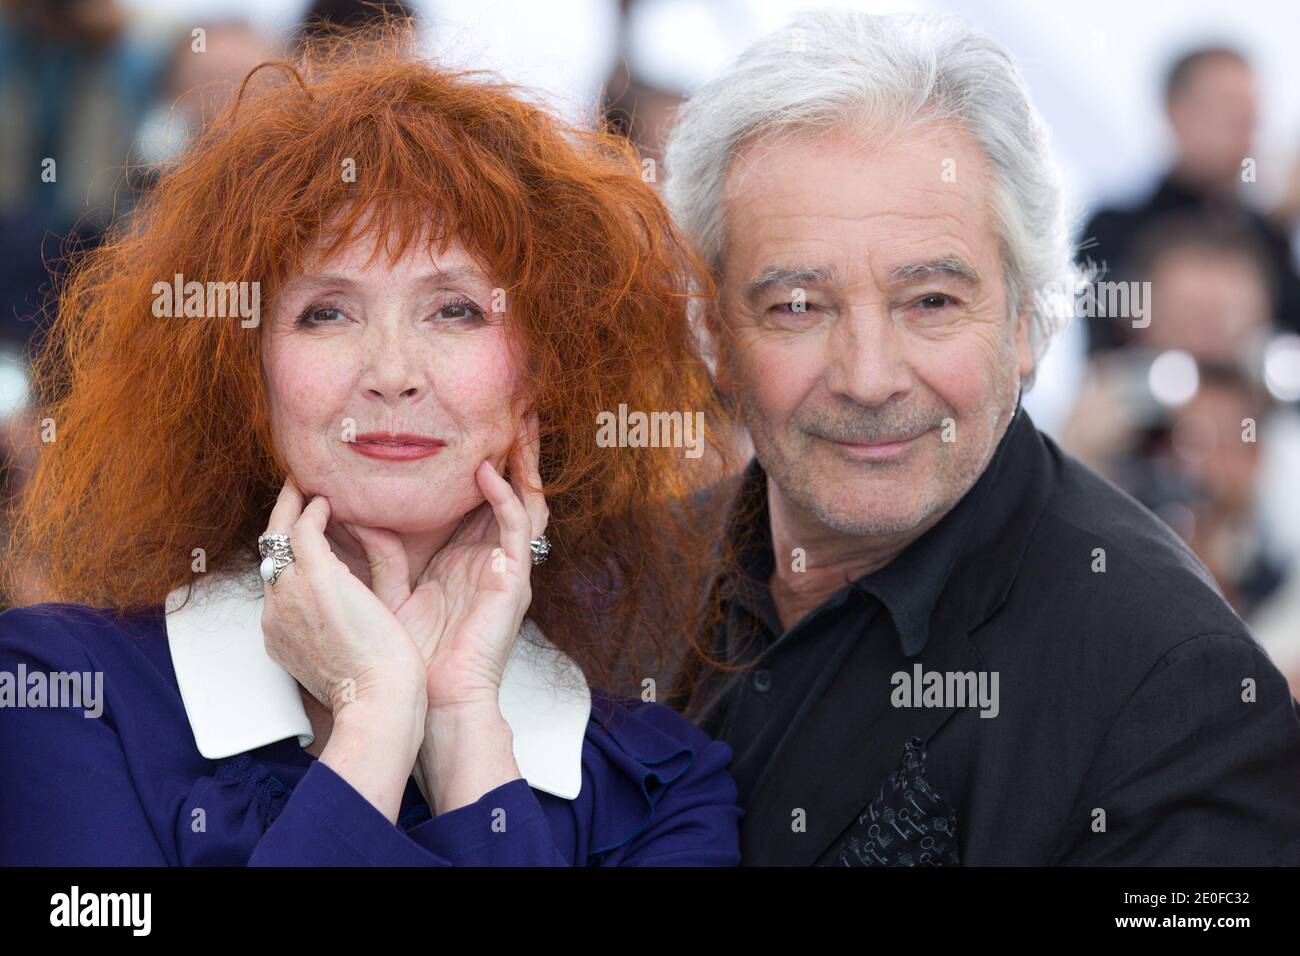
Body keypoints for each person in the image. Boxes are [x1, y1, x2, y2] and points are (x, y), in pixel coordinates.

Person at [0, 28, 742, 866]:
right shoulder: (63, 689)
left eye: (456, 310)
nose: (392, 373)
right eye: (326, 312)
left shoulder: (663, 784)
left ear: (547, 369)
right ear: (246, 372)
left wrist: (463, 723)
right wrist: (376, 719)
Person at [661, 9, 1300, 866]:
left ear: (1029, 323)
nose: (869, 375)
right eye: (799, 307)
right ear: (715, 337)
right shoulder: (616, 576)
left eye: (930, 302)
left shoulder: (1177, 687)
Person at [1078, 45, 1300, 349]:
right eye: (1227, 109)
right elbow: (1109, 330)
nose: (1244, 130)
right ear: (1175, 112)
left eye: (1251, 117)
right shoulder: (1114, 229)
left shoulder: (1267, 235)